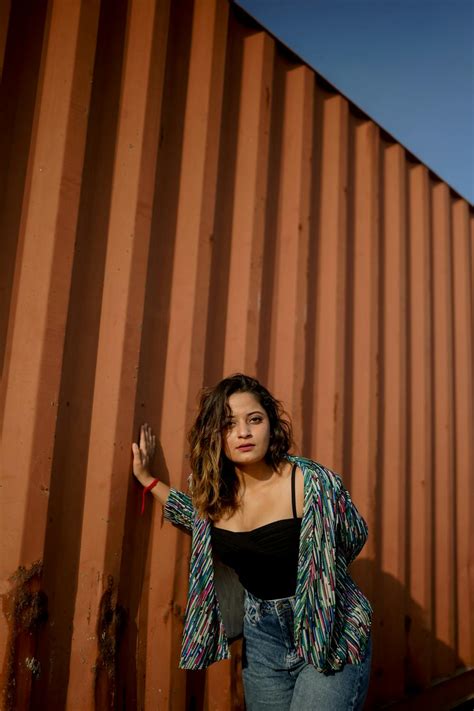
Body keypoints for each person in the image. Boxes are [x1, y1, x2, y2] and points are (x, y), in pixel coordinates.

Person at [132, 373, 372, 710]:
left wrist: (321, 589)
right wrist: (147, 479)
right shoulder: (214, 495)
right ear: (216, 435)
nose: (243, 432)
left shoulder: (310, 482)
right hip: (263, 638)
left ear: (271, 425)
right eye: (229, 424)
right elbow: (196, 520)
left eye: (254, 420)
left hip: (326, 630)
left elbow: (352, 535)